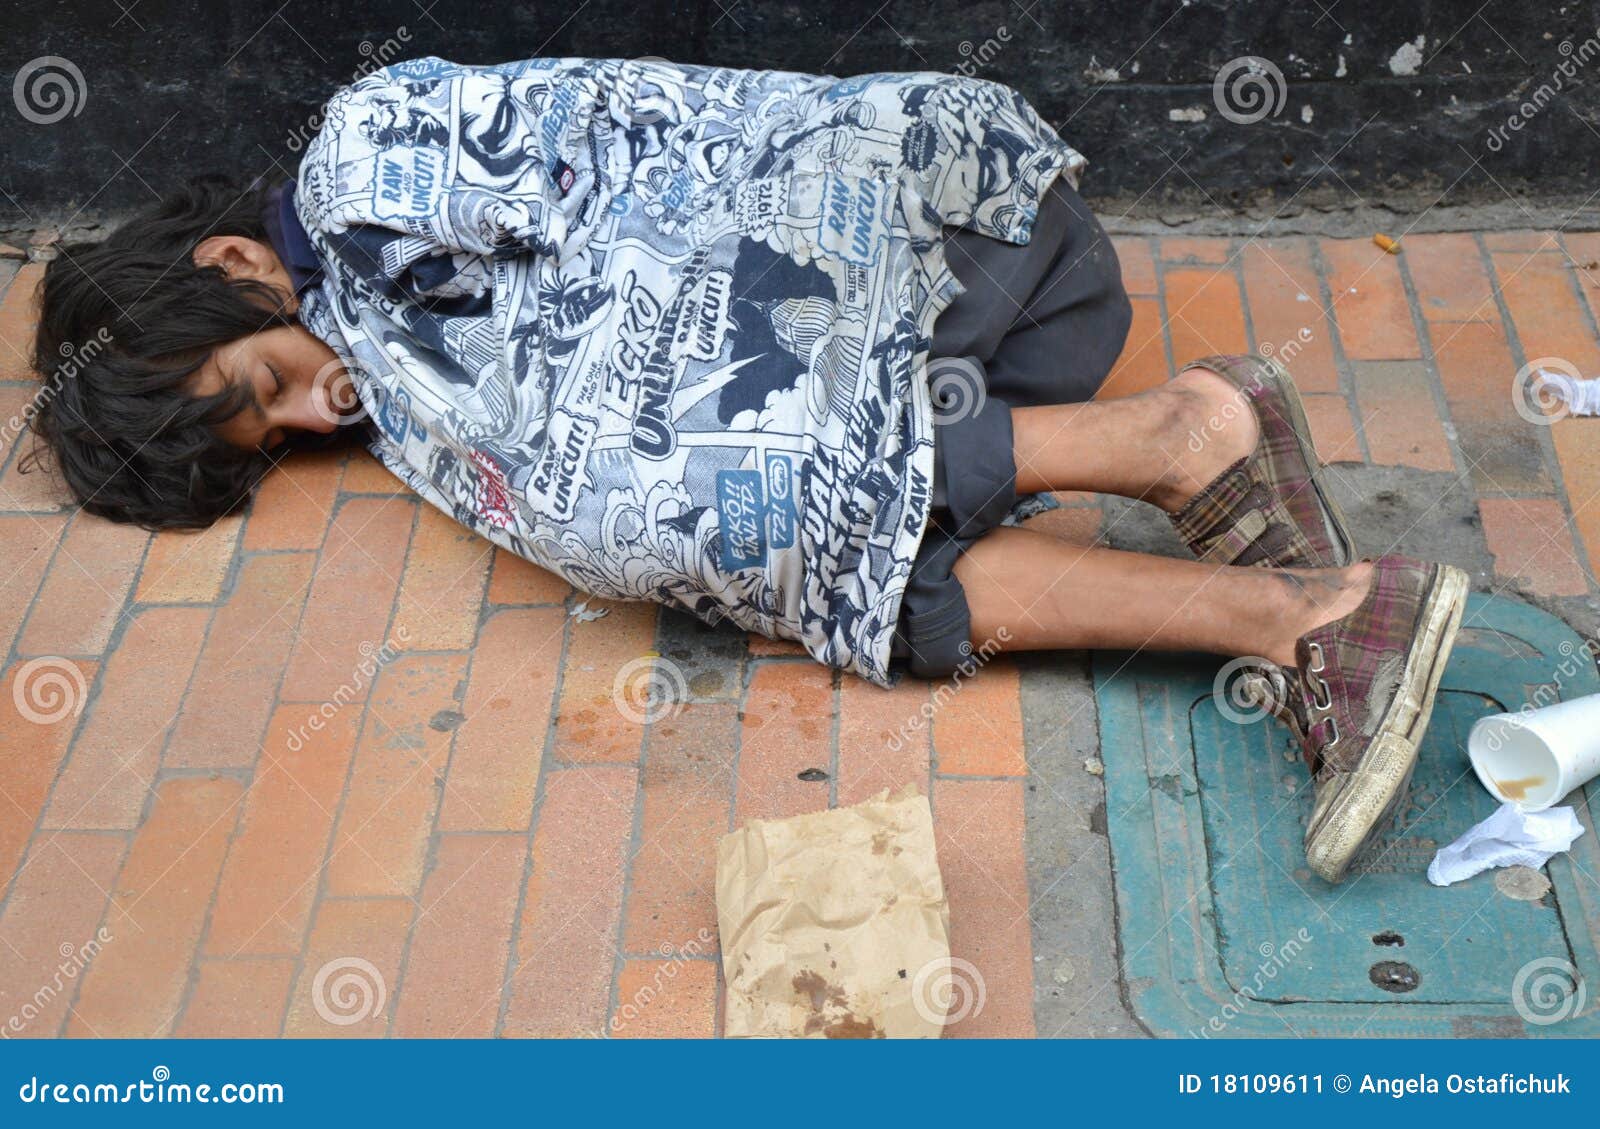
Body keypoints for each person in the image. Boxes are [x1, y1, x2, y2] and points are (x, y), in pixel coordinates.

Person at [19, 54, 1467, 884]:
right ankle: (1275, 578)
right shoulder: (376, 371)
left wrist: (655, 500)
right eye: (268, 449)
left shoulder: (363, 163)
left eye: (259, 390)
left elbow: (646, 194)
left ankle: (1194, 454)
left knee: (746, 506)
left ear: (230, 265)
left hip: (947, 253)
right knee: (866, 598)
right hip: (954, 370)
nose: (305, 421)